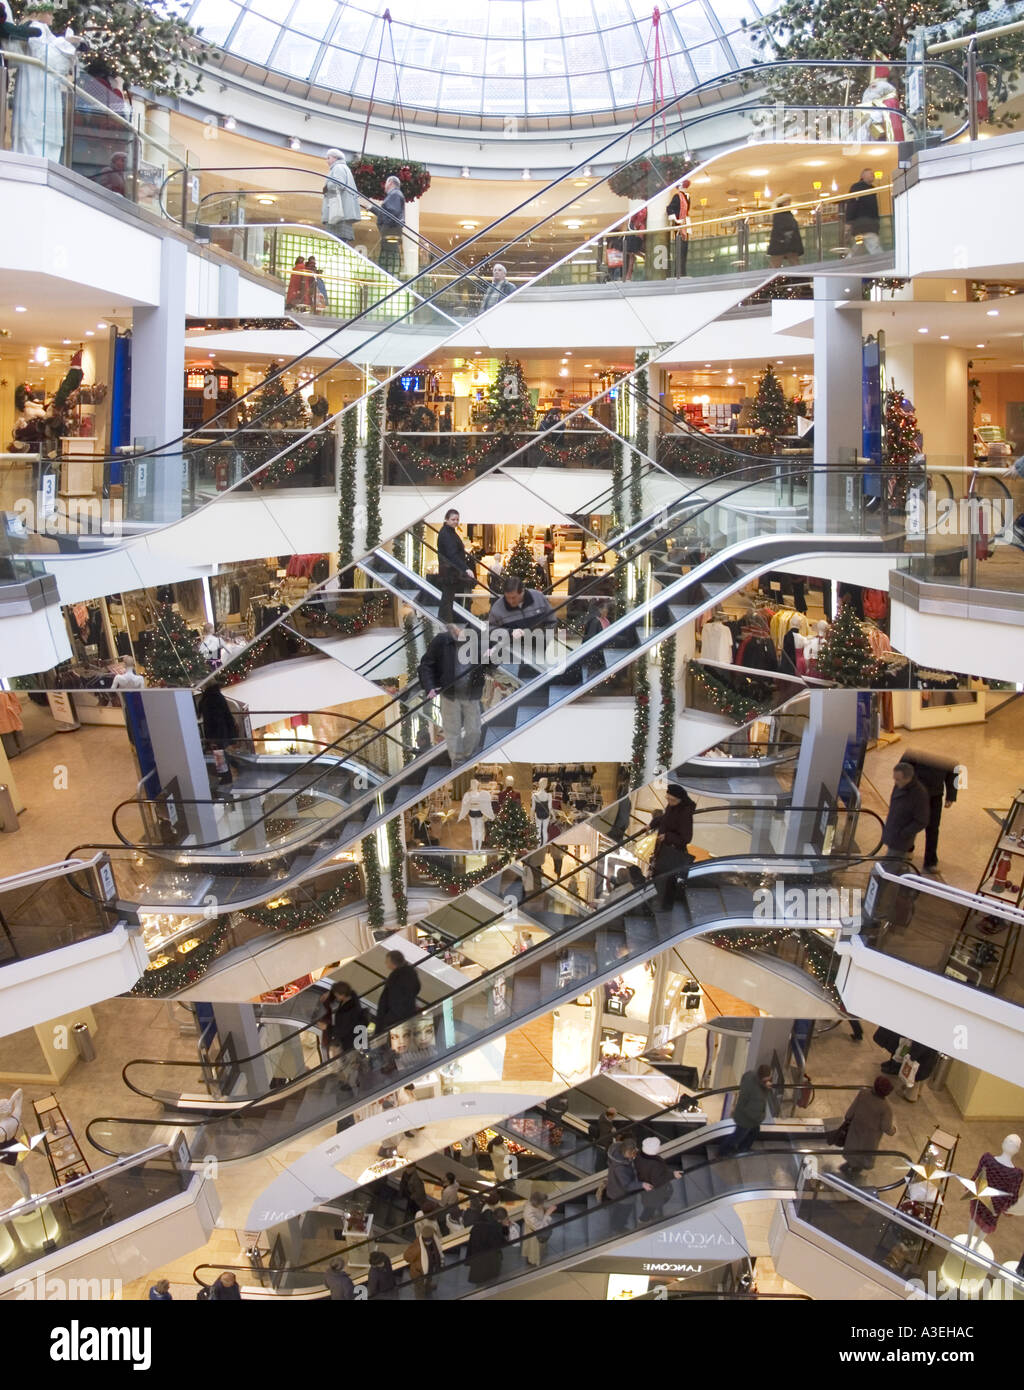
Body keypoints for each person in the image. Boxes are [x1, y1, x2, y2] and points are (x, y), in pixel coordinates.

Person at [418, 622, 485, 765]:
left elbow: (488, 664)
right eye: (455, 628)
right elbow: (426, 665)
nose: (458, 632)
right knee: (452, 730)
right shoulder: (441, 641)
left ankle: (468, 755)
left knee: (474, 730)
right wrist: (430, 687)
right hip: (449, 693)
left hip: (471, 693)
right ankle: (457, 760)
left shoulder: (476, 640)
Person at [898, 749, 958, 871]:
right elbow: (903, 765)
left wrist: (951, 796)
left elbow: (953, 772)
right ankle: (907, 849)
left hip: (935, 796)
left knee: (933, 828)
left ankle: (930, 862)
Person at [648, 783, 696, 909]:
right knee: (661, 878)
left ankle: (664, 907)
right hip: (665, 850)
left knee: (667, 881)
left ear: (680, 799)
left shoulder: (685, 813)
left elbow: (686, 838)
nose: (669, 801)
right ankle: (658, 904)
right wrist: (652, 824)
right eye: (668, 798)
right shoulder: (673, 806)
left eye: (672, 800)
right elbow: (665, 819)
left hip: (672, 852)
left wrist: (667, 836)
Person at [374, 950, 421, 1071]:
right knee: (399, 1043)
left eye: (387, 961)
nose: (385, 964)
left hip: (396, 1018)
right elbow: (416, 988)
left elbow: (395, 1000)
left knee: (394, 1044)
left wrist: (388, 1018)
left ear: (392, 962)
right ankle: (395, 1064)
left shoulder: (398, 977)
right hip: (403, 1016)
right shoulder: (410, 974)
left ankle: (394, 1065)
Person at [840, 1077, 896, 1178]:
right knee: (862, 1156)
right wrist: (893, 1130)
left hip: (856, 1129)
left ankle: (847, 1166)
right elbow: (886, 1127)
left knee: (852, 1148)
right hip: (869, 1138)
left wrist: (848, 1118)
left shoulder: (863, 1093)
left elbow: (852, 1110)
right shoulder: (885, 1107)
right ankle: (853, 1175)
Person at [317, 981, 368, 1088]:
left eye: (336, 995)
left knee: (351, 1061)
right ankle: (351, 1080)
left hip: (351, 1039)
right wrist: (329, 994)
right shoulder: (352, 997)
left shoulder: (348, 1011)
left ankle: (352, 1084)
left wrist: (327, 1027)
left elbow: (342, 1030)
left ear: (342, 995)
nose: (336, 998)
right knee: (350, 1060)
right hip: (354, 1036)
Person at [881, 761, 930, 869]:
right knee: (896, 867)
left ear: (908, 778)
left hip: (901, 840)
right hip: (894, 833)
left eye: (898, 779)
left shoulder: (919, 795)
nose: (895, 782)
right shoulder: (899, 786)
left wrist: (904, 833)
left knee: (887, 869)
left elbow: (922, 820)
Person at [722, 1064, 773, 1154]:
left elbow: (744, 1077)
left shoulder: (750, 1075)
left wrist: (764, 1085)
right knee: (737, 1136)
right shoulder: (757, 1094)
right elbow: (753, 1111)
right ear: (764, 1079)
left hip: (741, 1113)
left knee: (754, 1132)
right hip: (746, 1120)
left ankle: (743, 1148)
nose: (770, 1080)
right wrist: (762, 1117)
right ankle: (724, 1151)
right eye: (769, 1078)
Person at [436, 507, 475, 622]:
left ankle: (446, 620)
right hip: (449, 571)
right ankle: (446, 621)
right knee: (447, 598)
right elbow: (452, 554)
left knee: (448, 598)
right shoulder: (447, 534)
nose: (456, 522)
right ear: (446, 519)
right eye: (453, 519)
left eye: (457, 519)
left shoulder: (449, 532)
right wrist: (466, 568)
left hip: (450, 571)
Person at [635, 1136, 682, 1222]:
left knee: (649, 1205)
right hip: (653, 1193)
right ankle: (644, 1219)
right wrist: (672, 1175)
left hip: (645, 1191)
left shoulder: (639, 1156)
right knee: (650, 1207)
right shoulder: (655, 1164)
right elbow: (657, 1181)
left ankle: (648, 1216)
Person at [322, 148, 360, 244]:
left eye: (328, 158)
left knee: (336, 241)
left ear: (335, 158)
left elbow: (338, 184)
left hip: (338, 213)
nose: (327, 161)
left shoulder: (338, 168)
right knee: (341, 241)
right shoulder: (344, 168)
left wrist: (326, 187)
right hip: (342, 213)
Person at [604, 1136, 641, 1230]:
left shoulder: (615, 1155)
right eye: (632, 1152)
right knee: (623, 1212)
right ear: (627, 1152)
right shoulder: (621, 1167)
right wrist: (642, 1184)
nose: (634, 1154)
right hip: (622, 1195)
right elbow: (627, 1185)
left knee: (617, 1209)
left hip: (614, 1189)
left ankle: (615, 1223)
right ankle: (618, 1227)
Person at [404, 1211, 443, 1297]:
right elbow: (406, 1257)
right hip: (419, 1273)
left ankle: (428, 1288)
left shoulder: (433, 1240)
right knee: (419, 1290)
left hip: (429, 1268)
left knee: (428, 1279)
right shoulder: (417, 1246)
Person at [845, 168, 882, 257]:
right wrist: (849, 221)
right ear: (863, 176)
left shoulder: (867, 189)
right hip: (866, 225)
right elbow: (852, 205)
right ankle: (880, 261)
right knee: (872, 245)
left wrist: (849, 221)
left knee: (859, 246)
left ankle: (849, 262)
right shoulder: (861, 189)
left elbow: (852, 205)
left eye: (872, 174)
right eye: (870, 174)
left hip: (861, 226)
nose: (872, 175)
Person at [375, 174, 406, 276]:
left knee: (389, 263)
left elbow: (391, 214)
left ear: (391, 183)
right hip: (389, 234)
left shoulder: (395, 195)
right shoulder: (394, 195)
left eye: (386, 183)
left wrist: (385, 226)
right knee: (388, 262)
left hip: (390, 234)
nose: (384, 186)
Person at [466, 1207, 505, 1284]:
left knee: (479, 1282)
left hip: (476, 1258)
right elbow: (498, 1244)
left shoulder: (476, 1226)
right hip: (489, 1261)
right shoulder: (494, 1228)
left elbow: (470, 1244)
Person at [522, 1189, 557, 1266]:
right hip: (533, 1233)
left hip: (534, 1227)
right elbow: (539, 1227)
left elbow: (543, 1205)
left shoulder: (532, 1202)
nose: (543, 1204)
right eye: (542, 1203)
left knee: (537, 1247)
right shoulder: (528, 1214)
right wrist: (547, 1214)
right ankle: (533, 1261)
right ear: (538, 1204)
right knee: (534, 1249)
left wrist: (549, 1206)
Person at [767, 194, 803, 267]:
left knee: (776, 263)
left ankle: (771, 277)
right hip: (784, 242)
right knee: (792, 262)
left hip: (784, 243)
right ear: (782, 203)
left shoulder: (782, 214)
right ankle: (799, 277)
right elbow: (782, 227)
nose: (789, 203)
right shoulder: (781, 214)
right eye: (787, 201)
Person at [667, 178, 690, 277]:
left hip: (685, 224)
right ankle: (678, 273)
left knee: (684, 249)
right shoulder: (677, 196)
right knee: (679, 249)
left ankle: (682, 272)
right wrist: (676, 220)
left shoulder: (687, 196)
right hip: (680, 225)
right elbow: (670, 208)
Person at [623, 205, 646, 281]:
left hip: (637, 233)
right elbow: (632, 219)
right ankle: (628, 275)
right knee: (631, 254)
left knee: (632, 254)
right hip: (635, 233)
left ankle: (629, 275)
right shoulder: (640, 208)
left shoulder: (641, 208)